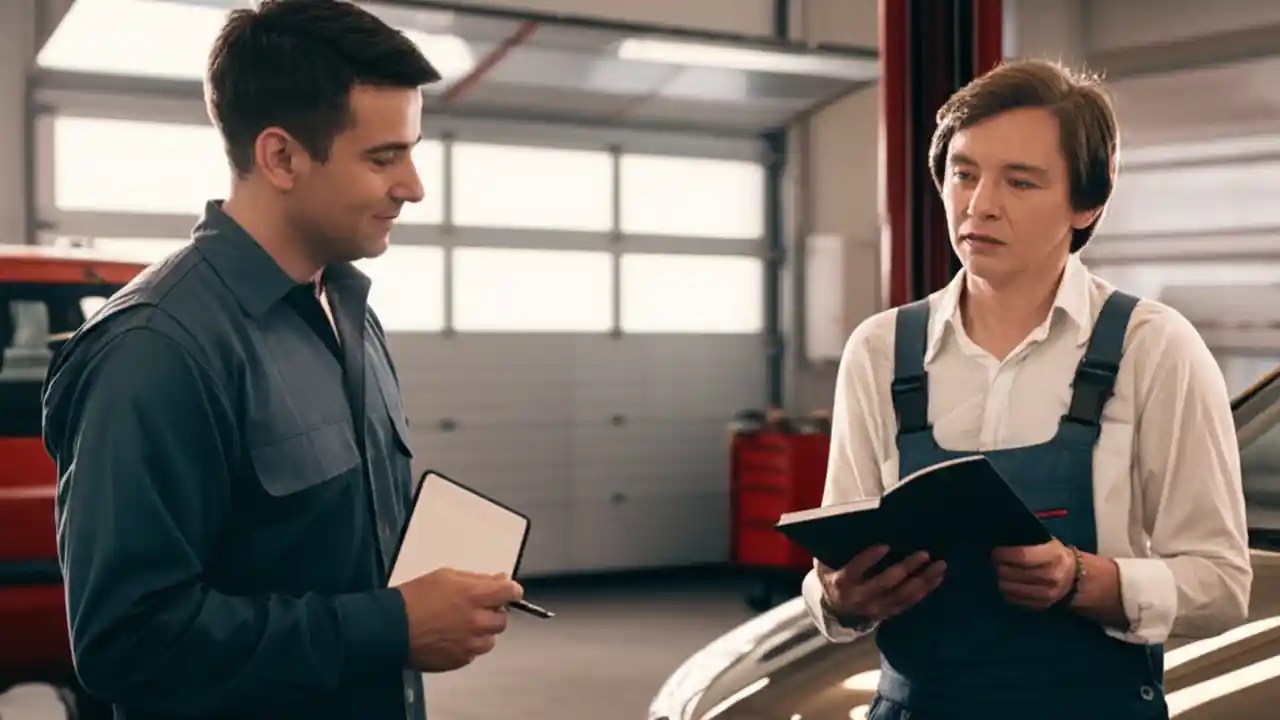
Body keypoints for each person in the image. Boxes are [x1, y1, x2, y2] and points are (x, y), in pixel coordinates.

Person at [40, 2, 522, 718]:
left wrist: (430, 597)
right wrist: (391, 626)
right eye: (383, 157)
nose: (414, 186)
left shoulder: (349, 313)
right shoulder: (157, 350)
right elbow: (128, 640)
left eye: (411, 151)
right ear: (281, 158)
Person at [802, 58, 1252, 719]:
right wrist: (840, 599)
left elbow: (1222, 585)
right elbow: (833, 568)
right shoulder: (879, 351)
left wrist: (1083, 580)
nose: (981, 204)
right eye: (964, 174)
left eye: (1020, 181)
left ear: (1087, 203)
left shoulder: (1152, 348)